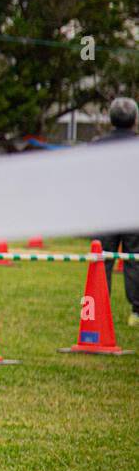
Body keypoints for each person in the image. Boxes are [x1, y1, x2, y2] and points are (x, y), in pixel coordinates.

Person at [93, 96, 139, 326]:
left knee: (102, 261)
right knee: (135, 259)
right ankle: (137, 312)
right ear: (135, 120)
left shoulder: (97, 146)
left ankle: (99, 309)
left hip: (105, 213)